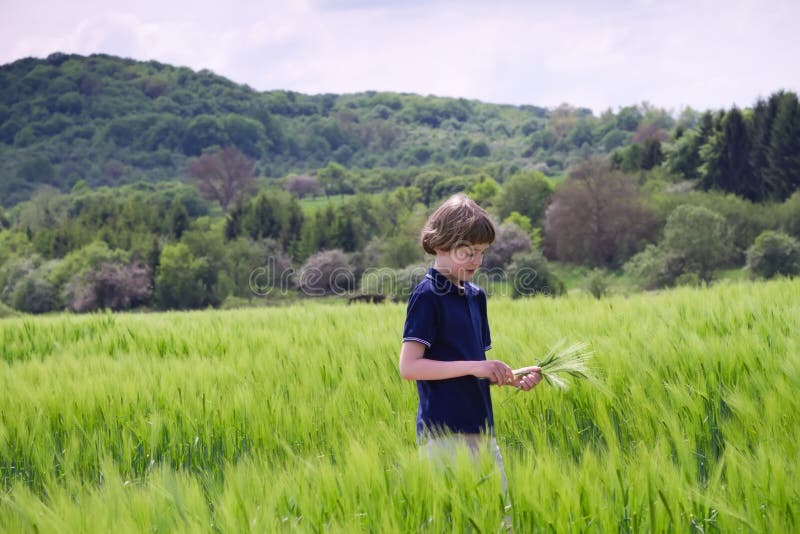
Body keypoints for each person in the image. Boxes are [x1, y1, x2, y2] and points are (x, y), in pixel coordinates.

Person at [398, 193, 543, 504]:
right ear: (440, 246)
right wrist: (476, 366)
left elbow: (473, 368)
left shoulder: (476, 296)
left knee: (499, 520)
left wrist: (510, 376)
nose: (477, 261)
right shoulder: (427, 296)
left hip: (483, 431)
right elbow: (409, 367)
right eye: (469, 252)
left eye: (482, 253)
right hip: (444, 436)